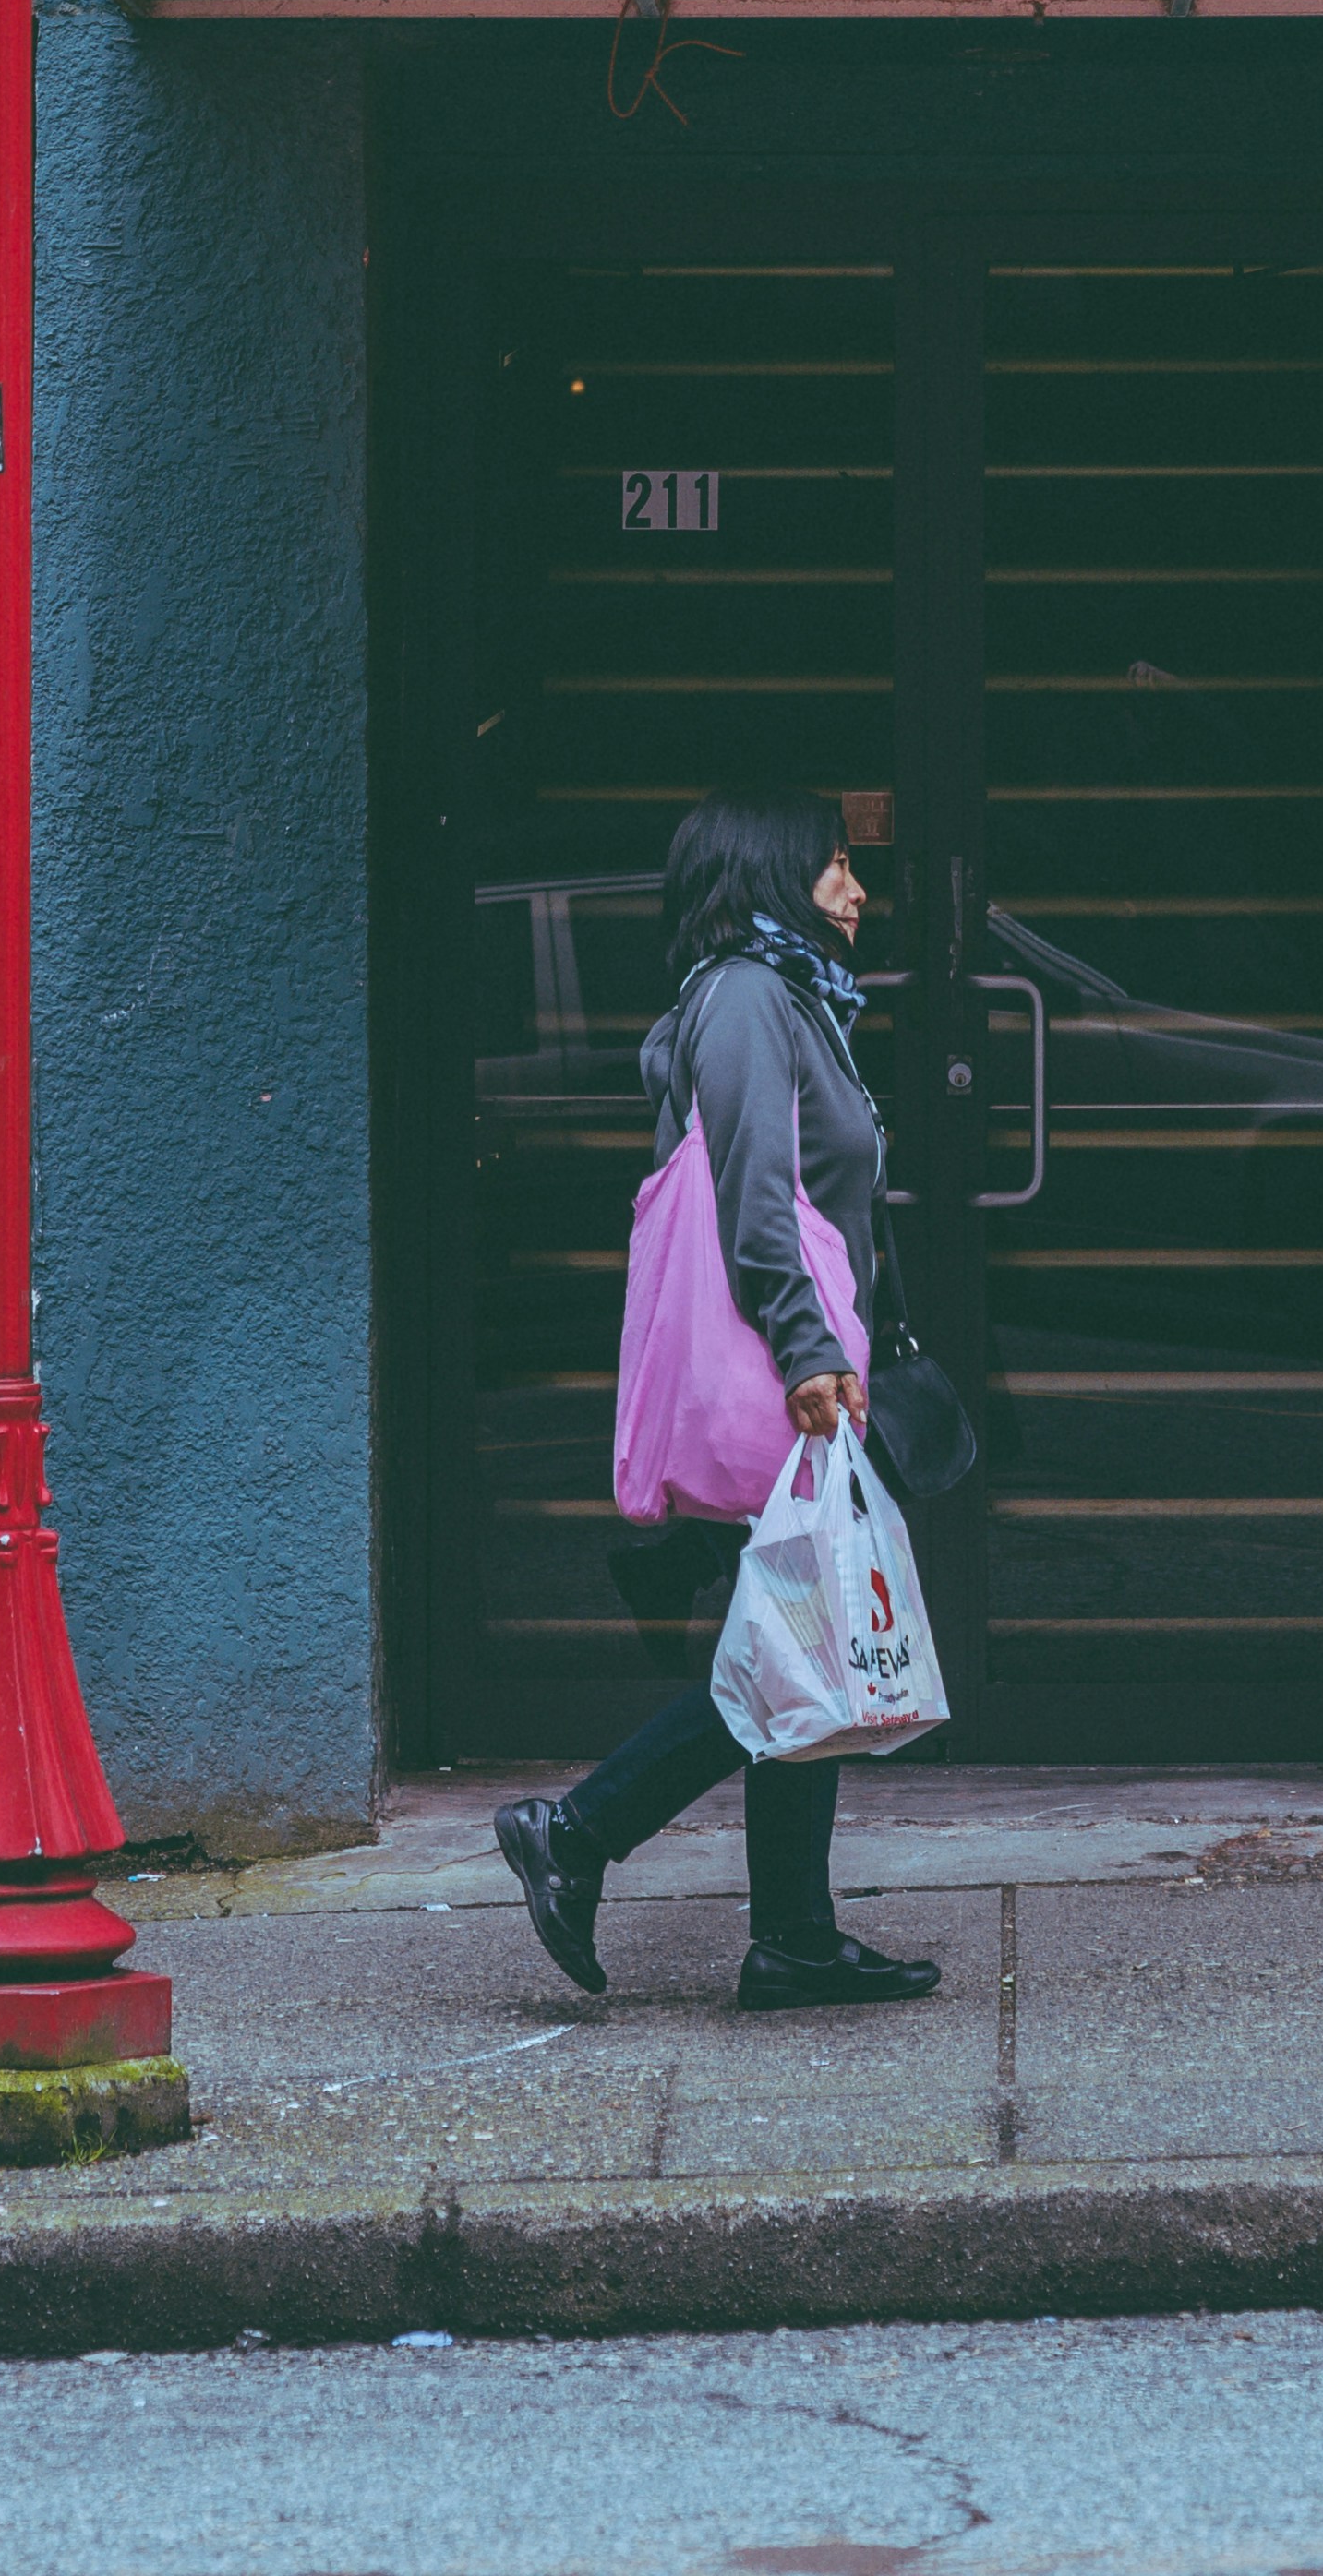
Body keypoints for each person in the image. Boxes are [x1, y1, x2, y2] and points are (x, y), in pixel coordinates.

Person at [494, 786, 943, 2015]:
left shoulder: (788, 995)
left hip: (810, 1365)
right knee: (789, 1653)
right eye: (836, 866)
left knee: (796, 1651)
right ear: (770, 875)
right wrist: (806, 1350)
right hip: (786, 1382)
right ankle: (576, 1831)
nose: (856, 888)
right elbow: (753, 1197)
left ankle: (792, 1936)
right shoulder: (748, 996)